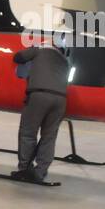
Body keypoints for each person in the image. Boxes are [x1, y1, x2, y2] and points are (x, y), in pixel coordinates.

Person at [11, 40, 70, 183]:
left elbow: (18, 57)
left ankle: (25, 169)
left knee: (28, 133)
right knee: (49, 137)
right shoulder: (64, 60)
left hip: (39, 95)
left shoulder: (40, 48)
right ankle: (40, 172)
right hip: (61, 100)